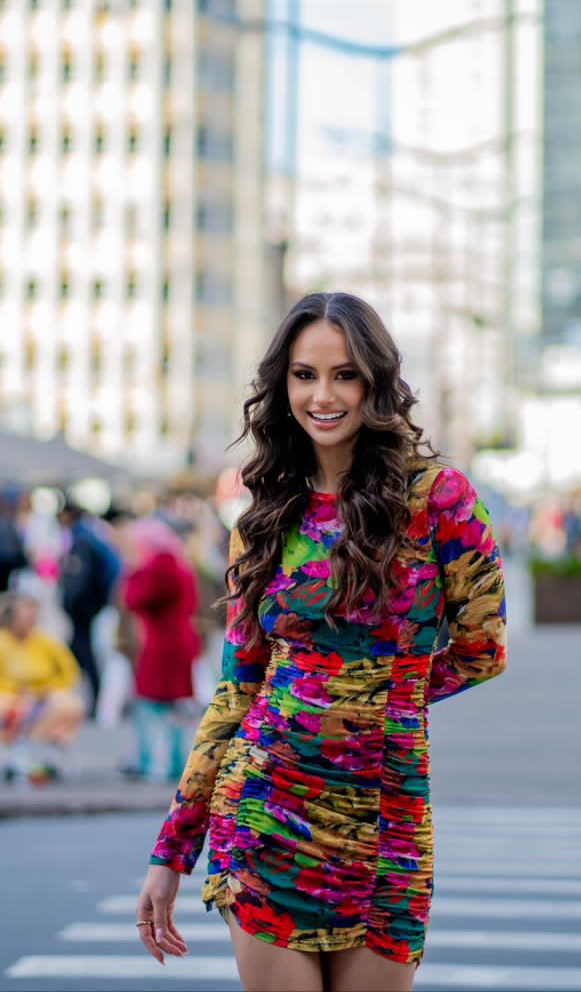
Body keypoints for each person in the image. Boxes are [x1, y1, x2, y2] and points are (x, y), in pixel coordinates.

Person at [136, 292, 508, 990]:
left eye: (344, 374)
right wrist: (171, 852)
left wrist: (378, 698)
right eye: (305, 374)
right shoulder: (266, 518)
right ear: (282, 386)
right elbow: (236, 690)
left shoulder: (439, 499)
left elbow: (483, 647)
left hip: (388, 815)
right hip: (266, 811)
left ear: (375, 382)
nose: (323, 394)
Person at [0, 590, 86, 784]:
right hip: (7, 694)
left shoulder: (45, 640)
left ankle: (51, 758)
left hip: (44, 693)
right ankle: (16, 758)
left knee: (69, 706)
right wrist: (15, 688)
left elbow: (69, 672)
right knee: (13, 710)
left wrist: (46, 688)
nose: (30, 621)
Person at [121, 517, 200, 782]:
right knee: (174, 707)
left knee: (153, 706)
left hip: (162, 644)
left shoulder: (159, 566)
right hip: (177, 640)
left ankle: (158, 764)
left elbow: (134, 599)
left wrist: (132, 572)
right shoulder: (178, 562)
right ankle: (175, 763)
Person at [58, 502, 120, 721]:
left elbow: (79, 578)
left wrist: (69, 603)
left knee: (83, 653)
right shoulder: (91, 533)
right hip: (93, 605)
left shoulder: (81, 539)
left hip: (86, 608)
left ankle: (90, 700)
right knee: (79, 651)